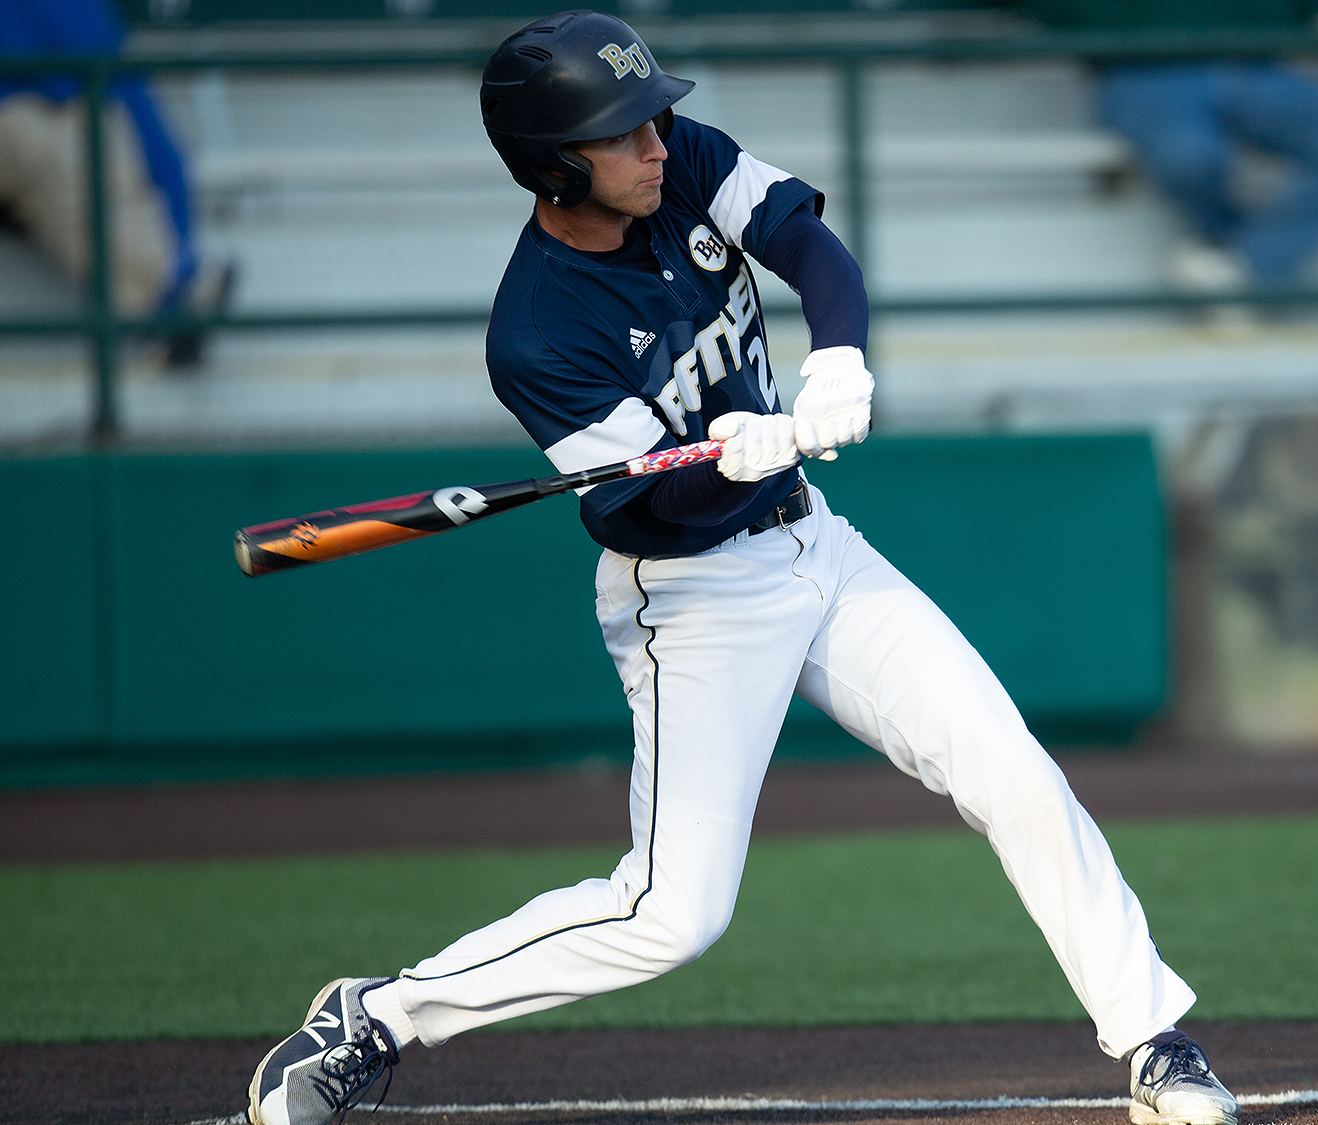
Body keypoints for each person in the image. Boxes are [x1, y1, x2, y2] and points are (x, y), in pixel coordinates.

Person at [243, 12, 1239, 1125]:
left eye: (651, 119)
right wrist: (727, 463)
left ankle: (1153, 1041)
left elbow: (809, 245)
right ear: (552, 164)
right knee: (673, 914)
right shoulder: (536, 331)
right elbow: (649, 511)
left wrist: (839, 355)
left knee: (1006, 766)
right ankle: (377, 1016)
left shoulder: (676, 164)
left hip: (812, 541)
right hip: (690, 598)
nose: (654, 144)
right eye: (620, 135)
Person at [1022, 0, 1318, 292]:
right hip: (1144, 66)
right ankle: (1239, 267)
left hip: (1253, 62)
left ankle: (1236, 270)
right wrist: (1116, 30)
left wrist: (1273, 19)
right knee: (1191, 156)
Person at [0, 0, 227, 366]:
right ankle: (167, 300)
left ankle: (168, 299)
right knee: (44, 142)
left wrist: (184, 251)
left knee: (97, 137)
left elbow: (157, 139)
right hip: (24, 136)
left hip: (54, 153)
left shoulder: (82, 10)